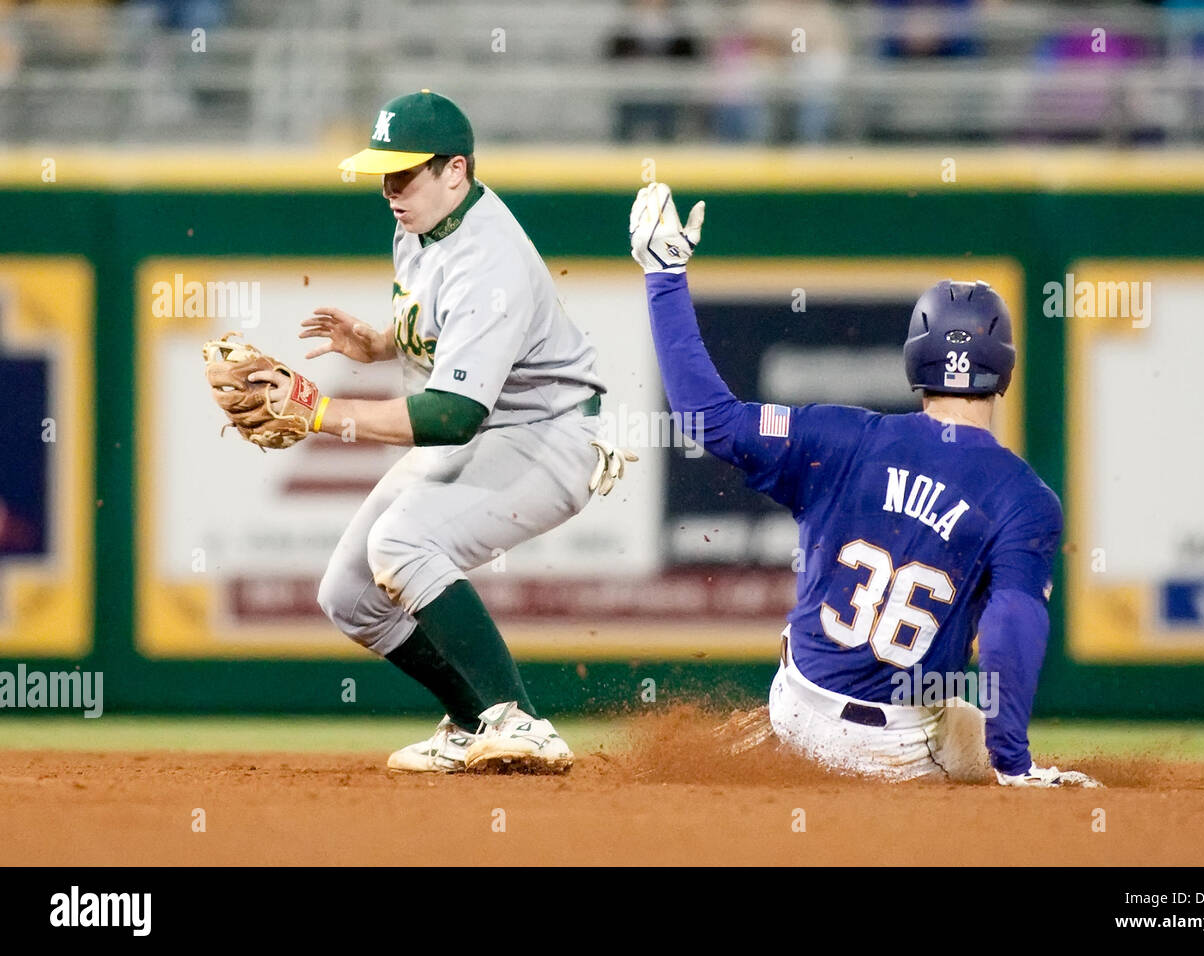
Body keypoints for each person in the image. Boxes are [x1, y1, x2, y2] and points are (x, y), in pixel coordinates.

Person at [629, 181, 1100, 787]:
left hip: (797, 708)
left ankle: (771, 741)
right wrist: (1012, 762)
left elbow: (707, 419)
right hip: (901, 748)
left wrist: (664, 277)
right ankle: (1013, 773)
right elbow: (1012, 628)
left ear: (916, 359)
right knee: (962, 712)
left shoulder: (840, 437)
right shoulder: (1024, 498)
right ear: (1003, 369)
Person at [252, 90, 633, 774]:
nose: (389, 189)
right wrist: (375, 345)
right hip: (495, 429)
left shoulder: (492, 261)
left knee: (402, 542)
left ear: (455, 171)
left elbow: (453, 416)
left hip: (550, 438)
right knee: (347, 596)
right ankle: (470, 721)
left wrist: (317, 414)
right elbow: (440, 341)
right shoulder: (419, 224)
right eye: (383, 172)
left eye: (404, 172)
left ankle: (521, 723)